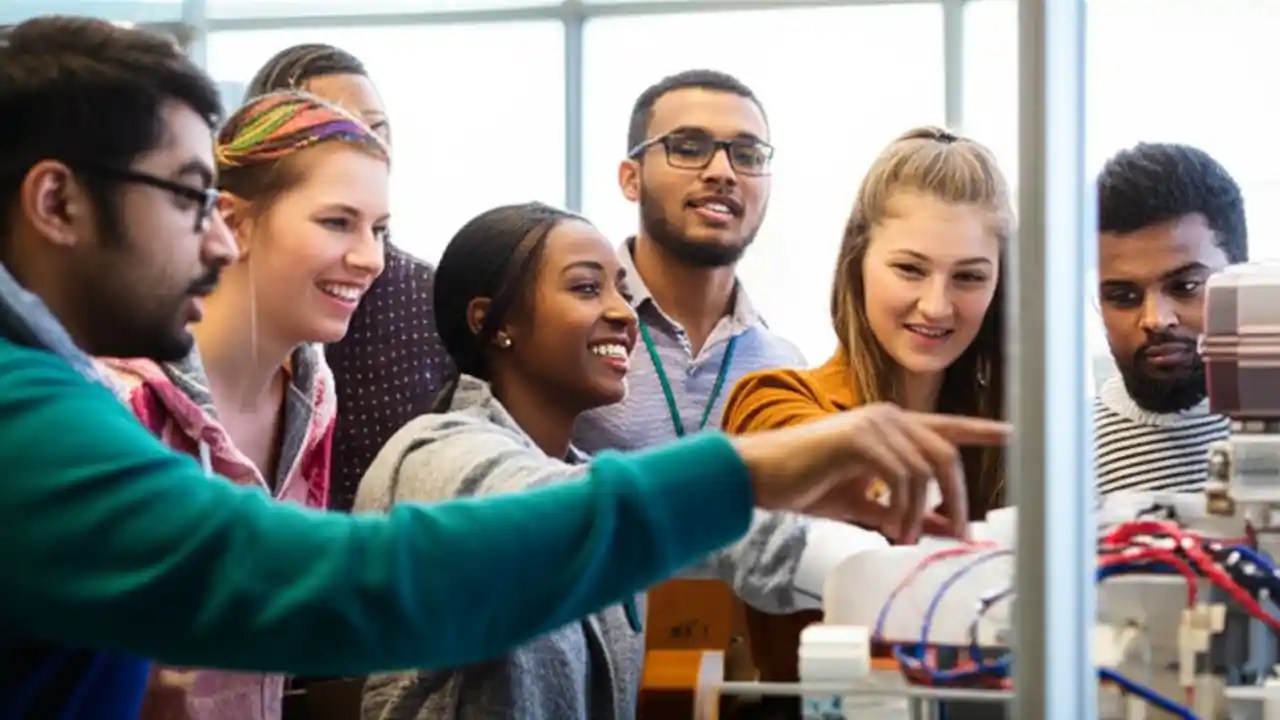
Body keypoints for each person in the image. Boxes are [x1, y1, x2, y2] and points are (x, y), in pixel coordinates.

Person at [0, 17, 1009, 718]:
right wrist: (751, 476)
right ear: (55, 203)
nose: (212, 242)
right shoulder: (46, 417)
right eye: (185, 197)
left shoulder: (310, 397)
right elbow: (335, 586)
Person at [354, 202, 905, 719]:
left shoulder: (580, 475)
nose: (623, 312)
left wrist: (896, 572)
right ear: (492, 322)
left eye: (619, 289)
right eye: (587, 288)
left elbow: (736, 544)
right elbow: (583, 512)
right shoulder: (432, 455)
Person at [98, 90, 390, 720]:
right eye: (338, 222)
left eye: (379, 228)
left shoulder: (315, 397)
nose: (371, 258)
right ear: (234, 224)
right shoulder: (118, 404)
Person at [721, 126, 1011, 696]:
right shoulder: (773, 401)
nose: (936, 304)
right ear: (858, 262)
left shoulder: (1009, 439)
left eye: (970, 276)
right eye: (909, 269)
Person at [568, 68, 811, 688]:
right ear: (630, 176)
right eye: (689, 146)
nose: (723, 170)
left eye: (747, 154)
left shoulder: (784, 370)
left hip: (733, 685)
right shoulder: (567, 330)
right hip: (582, 681)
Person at [244, 43, 453, 513]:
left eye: (377, 129)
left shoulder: (429, 298)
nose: (366, 145)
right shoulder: (176, 349)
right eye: (339, 127)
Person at [1093, 142, 1246, 495]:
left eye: (1185, 286)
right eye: (1123, 297)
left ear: (1242, 276)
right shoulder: (1066, 459)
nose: (1156, 319)